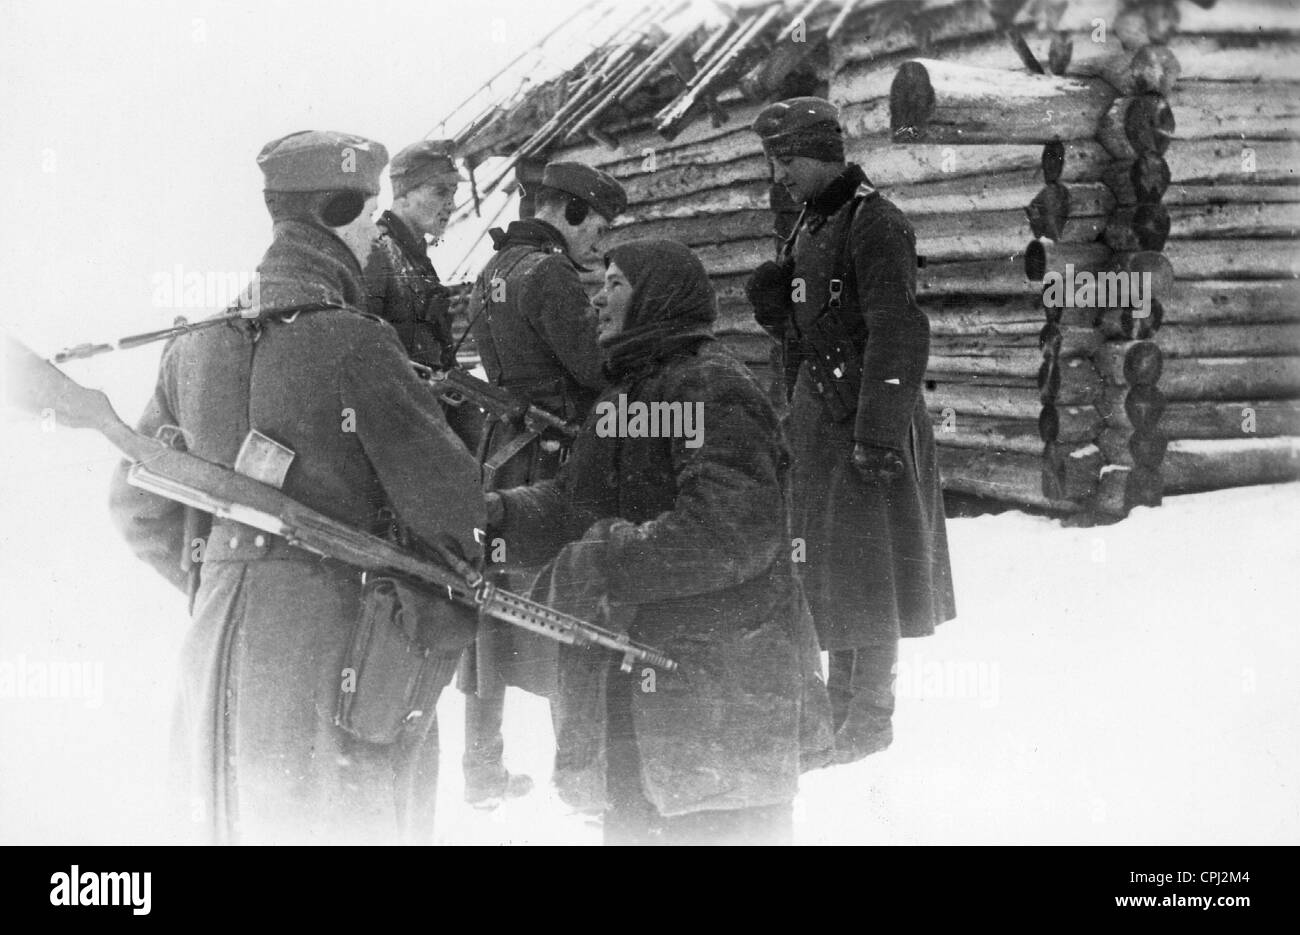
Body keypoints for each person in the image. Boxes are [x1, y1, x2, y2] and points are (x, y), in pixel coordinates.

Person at [108, 130, 485, 844]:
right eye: (370, 213)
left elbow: (135, 504)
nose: (377, 231)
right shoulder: (357, 341)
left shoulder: (194, 344)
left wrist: (228, 573)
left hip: (214, 647)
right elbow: (451, 514)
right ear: (338, 215)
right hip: (335, 654)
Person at [485, 239, 827, 845]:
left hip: (719, 686)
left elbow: (727, 534)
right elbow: (574, 503)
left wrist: (602, 560)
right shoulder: (623, 396)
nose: (597, 300)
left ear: (657, 298)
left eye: (615, 285)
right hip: (635, 686)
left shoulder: (714, 389)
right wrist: (497, 517)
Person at [746, 97, 957, 764]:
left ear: (816, 155)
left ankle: (870, 720)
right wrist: (777, 309)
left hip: (870, 425)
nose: (778, 175)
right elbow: (812, 330)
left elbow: (899, 330)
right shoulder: (812, 223)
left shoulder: (876, 222)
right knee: (837, 571)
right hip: (826, 425)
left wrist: (876, 433)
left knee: (874, 572)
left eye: (785, 162)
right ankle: (840, 712)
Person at [457, 161, 627, 809]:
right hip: (555, 465)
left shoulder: (495, 269)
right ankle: (582, 774)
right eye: (598, 227)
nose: (600, 244)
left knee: (491, 610)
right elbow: (593, 367)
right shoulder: (550, 274)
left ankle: (481, 767)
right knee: (566, 609)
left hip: (501, 457)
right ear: (567, 211)